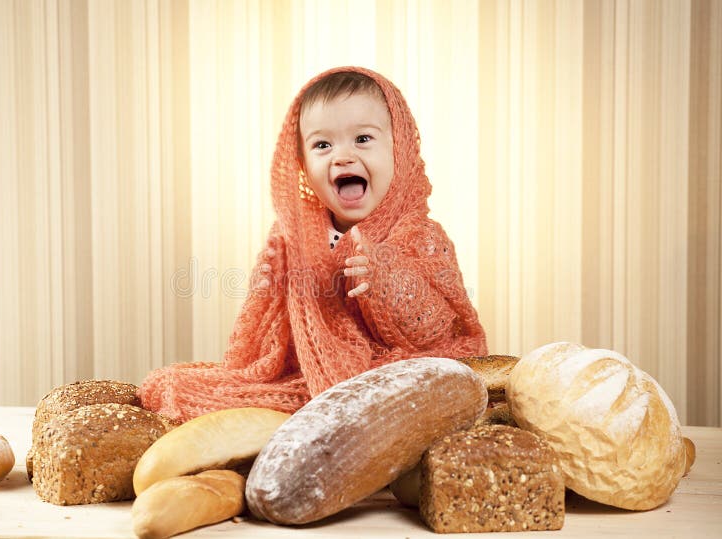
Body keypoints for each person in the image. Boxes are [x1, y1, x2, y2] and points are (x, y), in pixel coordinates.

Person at [139, 66, 488, 422]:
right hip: (311, 371)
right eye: (323, 145)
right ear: (302, 166)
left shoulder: (420, 236)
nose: (343, 156)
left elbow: (437, 333)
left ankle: (348, 408)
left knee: (411, 393)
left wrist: (388, 280)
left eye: (363, 139)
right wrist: (270, 288)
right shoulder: (296, 235)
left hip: (396, 369)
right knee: (176, 385)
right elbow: (268, 342)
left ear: (399, 148)